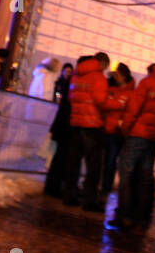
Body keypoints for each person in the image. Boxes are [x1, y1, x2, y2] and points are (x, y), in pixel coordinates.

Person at [109, 55, 155, 231]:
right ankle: (141, 218)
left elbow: (134, 108)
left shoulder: (147, 84)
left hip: (137, 135)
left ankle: (124, 215)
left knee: (127, 174)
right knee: (145, 178)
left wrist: (126, 129)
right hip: (153, 139)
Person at [63, 54, 111, 210]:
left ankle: (69, 195)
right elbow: (101, 101)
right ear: (102, 63)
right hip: (92, 125)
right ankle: (89, 200)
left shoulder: (76, 76)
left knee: (73, 161)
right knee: (94, 165)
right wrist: (118, 103)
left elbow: (71, 98)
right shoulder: (98, 77)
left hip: (76, 123)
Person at [99, 63, 136, 198]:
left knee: (110, 162)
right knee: (103, 161)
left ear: (124, 76)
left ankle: (106, 188)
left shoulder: (130, 93)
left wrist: (113, 105)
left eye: (118, 75)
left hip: (117, 132)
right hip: (105, 129)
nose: (116, 77)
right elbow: (104, 104)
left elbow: (127, 111)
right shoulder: (112, 89)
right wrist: (117, 105)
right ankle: (102, 186)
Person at [43, 61, 75, 198]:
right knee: (60, 157)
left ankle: (52, 186)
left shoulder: (67, 84)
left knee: (58, 157)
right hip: (65, 127)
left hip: (61, 126)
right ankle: (54, 186)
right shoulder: (65, 84)